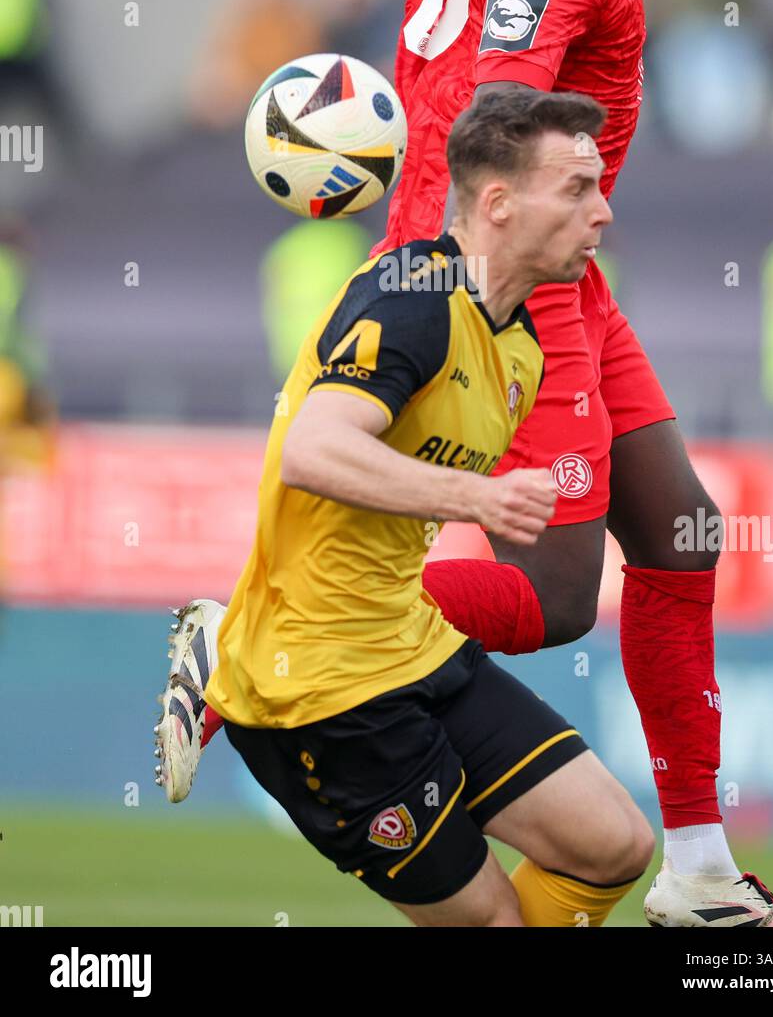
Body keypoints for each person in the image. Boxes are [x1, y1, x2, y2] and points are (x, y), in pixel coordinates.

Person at [47, 0, 773, 928]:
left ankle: (702, 870)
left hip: (561, 258)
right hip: (500, 271)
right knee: (557, 596)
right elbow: (500, 105)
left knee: (681, 535)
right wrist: (490, 213)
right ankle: (245, 648)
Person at [171, 87, 656, 927]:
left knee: (612, 845)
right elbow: (313, 449)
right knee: (492, 921)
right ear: (497, 203)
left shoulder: (518, 346)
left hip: (412, 646)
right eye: (576, 189)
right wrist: (478, 495)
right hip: (320, 691)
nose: (602, 211)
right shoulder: (410, 298)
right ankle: (228, 649)